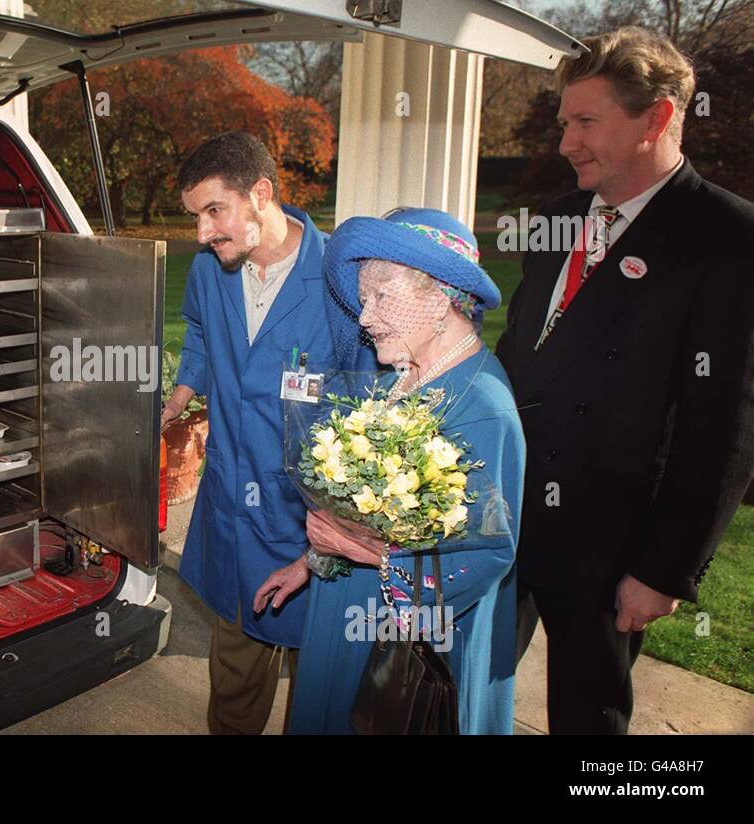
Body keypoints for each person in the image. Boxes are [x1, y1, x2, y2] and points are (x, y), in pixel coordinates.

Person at [495, 27, 754, 734]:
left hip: (609, 550)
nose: (564, 143)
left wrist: (665, 569)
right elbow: (523, 355)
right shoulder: (555, 218)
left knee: (587, 720)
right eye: (562, 123)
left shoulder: (729, 239)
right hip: (505, 514)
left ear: (659, 118)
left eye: (586, 122)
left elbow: (722, 428)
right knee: (466, 685)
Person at [255, 208, 525, 734]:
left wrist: (375, 556)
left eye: (382, 296)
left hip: (403, 652)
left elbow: (486, 556)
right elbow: (366, 507)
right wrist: (313, 561)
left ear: (442, 296)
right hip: (348, 611)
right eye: (363, 297)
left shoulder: (481, 404)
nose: (364, 316)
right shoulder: (398, 378)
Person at [163, 132, 377, 734]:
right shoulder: (211, 271)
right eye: (196, 217)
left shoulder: (343, 283)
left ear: (260, 195)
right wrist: (181, 393)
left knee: (320, 691)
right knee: (234, 672)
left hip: (318, 522)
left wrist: (340, 528)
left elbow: (371, 408)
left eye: (214, 211)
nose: (202, 234)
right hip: (234, 504)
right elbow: (201, 334)